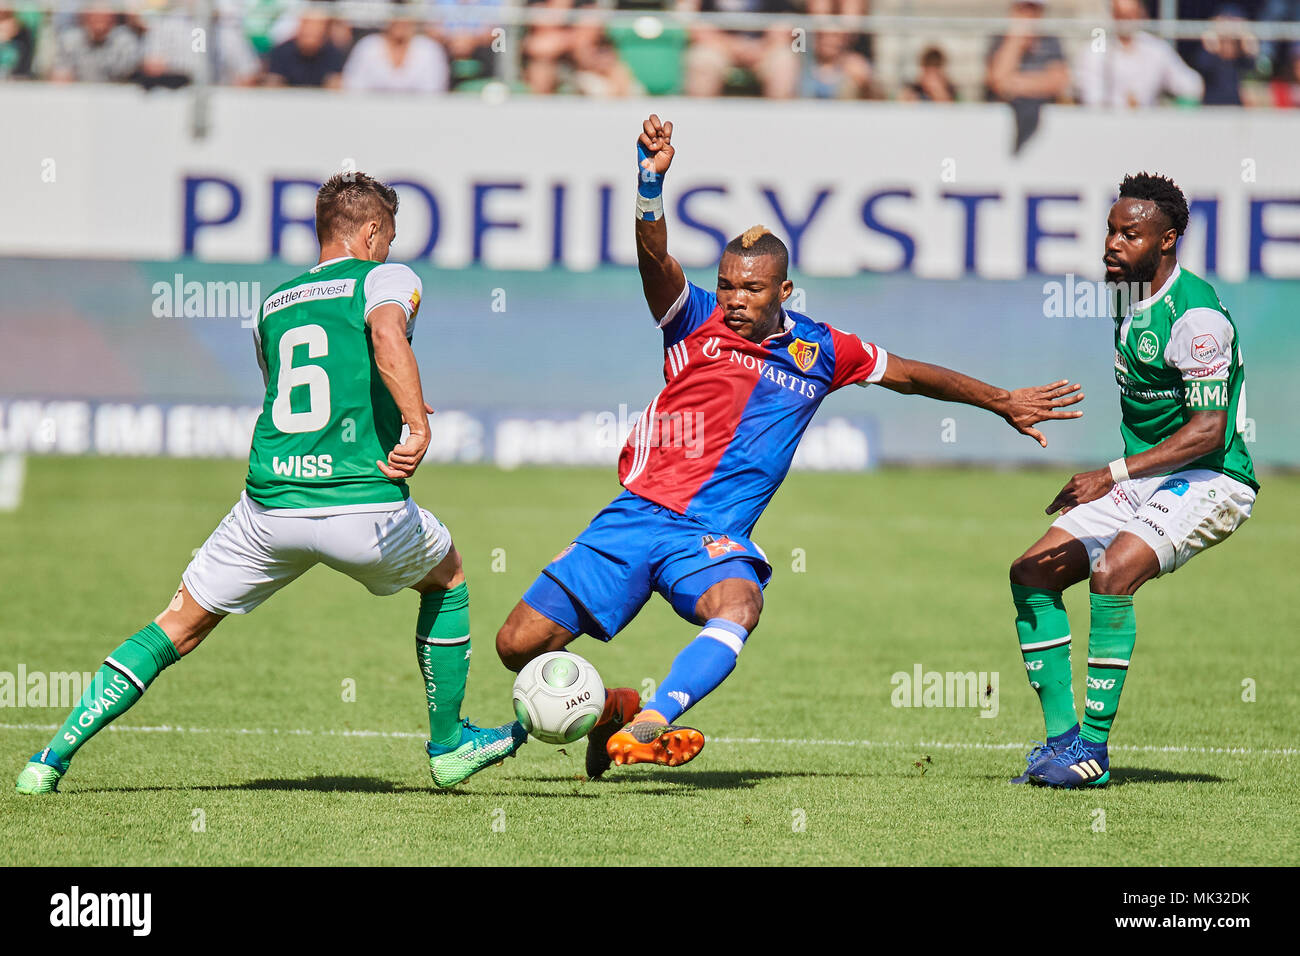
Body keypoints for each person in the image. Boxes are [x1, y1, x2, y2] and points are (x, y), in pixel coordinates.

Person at [490, 113, 1086, 780]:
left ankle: (653, 719)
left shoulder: (823, 348)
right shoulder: (692, 320)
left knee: (740, 605)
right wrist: (649, 183)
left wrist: (1001, 400)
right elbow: (655, 258)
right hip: (635, 516)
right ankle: (613, 711)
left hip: (708, 537)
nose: (734, 299)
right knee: (517, 646)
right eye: (727, 284)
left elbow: (912, 375)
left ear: (784, 291)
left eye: (750, 288)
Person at [15, 173, 525, 795]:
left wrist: (393, 402)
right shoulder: (387, 279)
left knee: (177, 625)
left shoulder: (273, 304)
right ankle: (448, 745)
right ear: (371, 231)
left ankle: (49, 759)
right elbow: (386, 334)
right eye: (388, 237)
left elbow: (301, 393)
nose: (389, 249)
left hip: (270, 509)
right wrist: (415, 423)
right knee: (447, 577)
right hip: (362, 507)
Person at [1008, 172, 1257, 789]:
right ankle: (1062, 744)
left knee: (1112, 573)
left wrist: (1110, 474)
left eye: (1130, 234)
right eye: (1110, 231)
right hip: (1149, 476)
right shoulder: (1126, 296)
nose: (1112, 245)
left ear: (1167, 240)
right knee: (1031, 573)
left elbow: (1207, 432)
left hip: (1213, 476)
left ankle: (1091, 753)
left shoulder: (1197, 318)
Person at [1074, 0, 1203, 108]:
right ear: (1112, 16)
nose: (1126, 22)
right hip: (1108, 122)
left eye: (1131, 15)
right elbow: (1092, 99)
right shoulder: (1095, 50)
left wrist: (1173, 107)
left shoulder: (1155, 48)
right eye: (1121, 16)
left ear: (1140, 14)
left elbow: (1191, 86)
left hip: (1149, 123)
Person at [985, 0, 1070, 150]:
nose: (1028, 16)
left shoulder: (1051, 42)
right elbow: (998, 82)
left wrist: (1014, 83)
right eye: (1023, 9)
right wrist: (1015, 42)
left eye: (1033, 10)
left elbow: (1058, 82)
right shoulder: (998, 40)